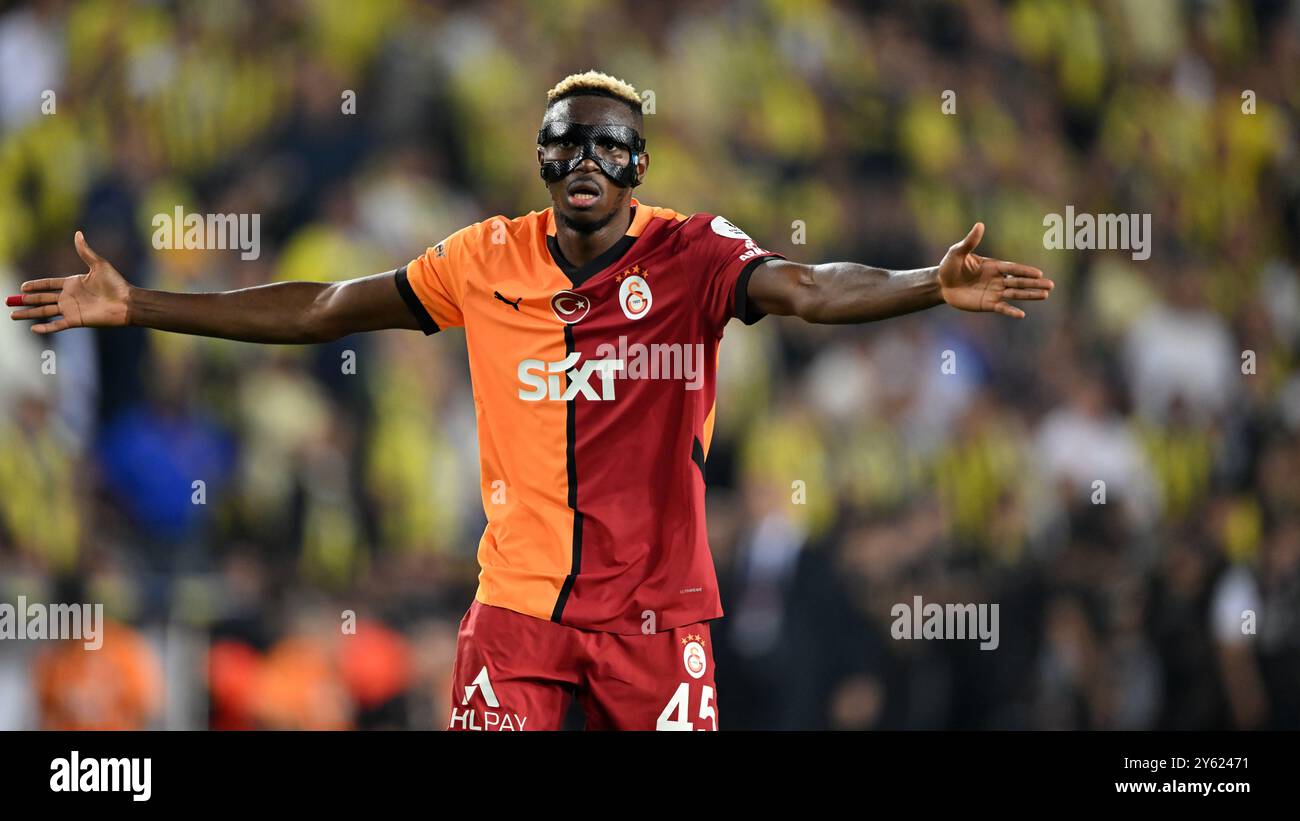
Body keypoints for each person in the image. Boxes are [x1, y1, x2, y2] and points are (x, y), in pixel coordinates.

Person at [8, 70, 1053, 730]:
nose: (586, 157)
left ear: (637, 164)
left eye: (608, 142)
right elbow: (325, 306)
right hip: (517, 614)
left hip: (654, 618)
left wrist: (926, 283)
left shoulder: (696, 253)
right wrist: (140, 302)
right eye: (567, 140)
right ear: (543, 158)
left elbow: (816, 290)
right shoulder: (483, 259)